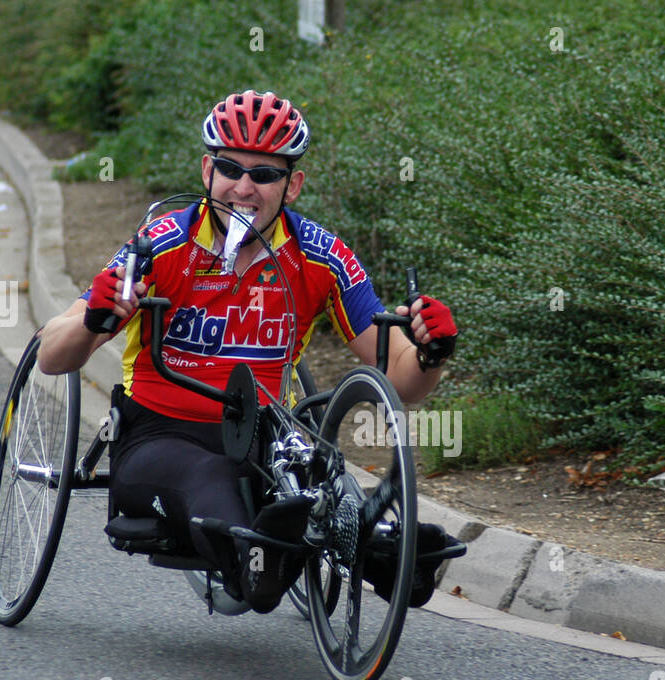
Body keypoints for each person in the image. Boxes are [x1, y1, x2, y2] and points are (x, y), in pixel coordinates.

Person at [36, 89, 458, 612]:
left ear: (293, 184)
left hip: (259, 439)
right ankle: (261, 558)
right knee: (213, 482)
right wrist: (96, 318)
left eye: (265, 174)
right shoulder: (162, 243)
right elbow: (52, 355)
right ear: (207, 171)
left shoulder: (321, 258)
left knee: (318, 493)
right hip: (158, 433)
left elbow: (398, 380)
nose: (244, 187)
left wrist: (431, 352)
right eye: (231, 169)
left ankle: (385, 552)